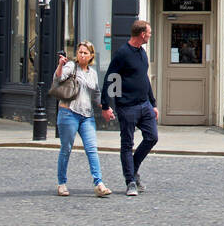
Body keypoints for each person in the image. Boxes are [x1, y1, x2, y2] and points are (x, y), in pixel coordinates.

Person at [100, 20, 158, 197]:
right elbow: (110, 78)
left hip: (144, 105)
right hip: (127, 107)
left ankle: (132, 168)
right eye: (148, 32)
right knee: (127, 144)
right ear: (142, 34)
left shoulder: (142, 53)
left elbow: (144, 79)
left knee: (152, 137)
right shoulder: (123, 54)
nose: (150, 35)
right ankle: (130, 182)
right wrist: (105, 105)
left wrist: (153, 103)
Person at [54, 42, 111, 197]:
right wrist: (60, 65)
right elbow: (58, 78)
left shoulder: (92, 73)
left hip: (87, 116)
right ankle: (62, 183)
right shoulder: (70, 66)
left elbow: (96, 94)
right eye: (80, 52)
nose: (82, 55)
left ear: (91, 55)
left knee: (92, 149)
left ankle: (99, 183)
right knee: (66, 149)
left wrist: (105, 108)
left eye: (86, 53)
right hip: (68, 113)